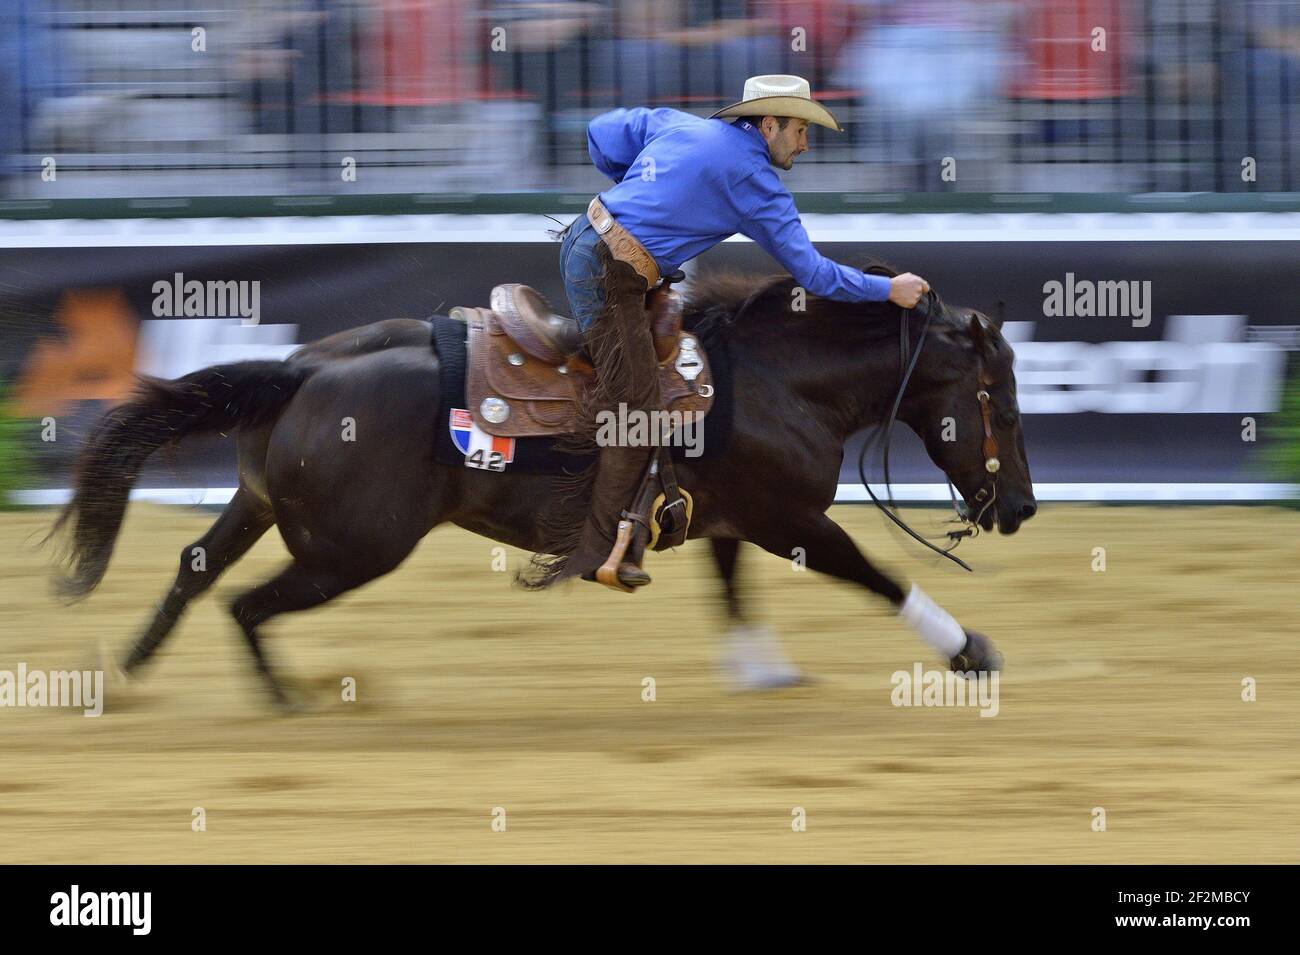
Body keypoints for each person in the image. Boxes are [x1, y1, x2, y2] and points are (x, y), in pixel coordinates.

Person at [549, 74, 930, 592]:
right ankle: (597, 551)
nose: (805, 143)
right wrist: (887, 292)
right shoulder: (757, 184)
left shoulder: (680, 126)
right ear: (768, 124)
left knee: (636, 385)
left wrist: (635, 187)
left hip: (589, 242)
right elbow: (814, 275)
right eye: (799, 130)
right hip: (612, 272)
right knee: (636, 402)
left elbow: (600, 131)